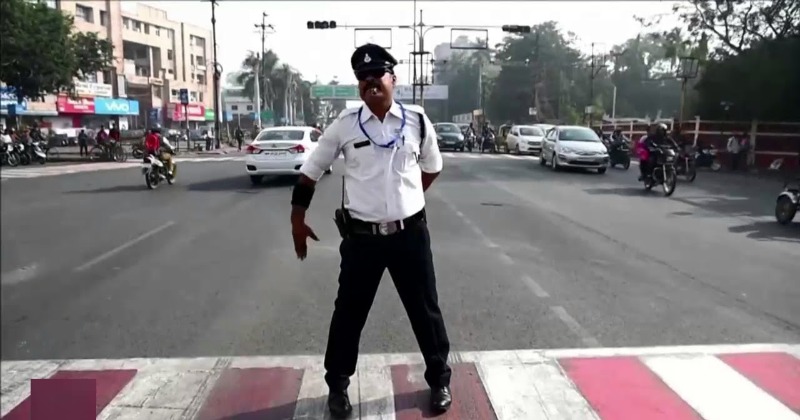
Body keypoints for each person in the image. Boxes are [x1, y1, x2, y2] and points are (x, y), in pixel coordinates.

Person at [290, 43, 452, 418]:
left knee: (425, 310)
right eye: (362, 78)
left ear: (393, 79)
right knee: (348, 314)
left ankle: (440, 379)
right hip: (362, 240)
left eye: (376, 75)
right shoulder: (345, 125)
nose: (369, 82)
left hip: (410, 236)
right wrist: (297, 219)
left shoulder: (417, 121)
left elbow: (432, 167)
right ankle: (338, 387)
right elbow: (310, 172)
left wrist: (406, 202)